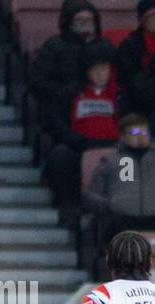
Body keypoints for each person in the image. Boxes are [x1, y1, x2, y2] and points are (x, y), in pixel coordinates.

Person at [83, 113, 155, 242]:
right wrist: (109, 205)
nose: (141, 137)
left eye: (145, 133)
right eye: (135, 133)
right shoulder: (110, 162)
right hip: (124, 219)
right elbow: (91, 195)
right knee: (112, 226)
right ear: (123, 136)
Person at [45, 40, 123, 215]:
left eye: (104, 68)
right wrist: (76, 140)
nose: (100, 74)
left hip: (115, 147)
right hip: (80, 146)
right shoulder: (70, 93)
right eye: (94, 69)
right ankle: (69, 207)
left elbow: (134, 124)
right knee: (60, 155)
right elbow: (56, 122)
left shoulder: (121, 95)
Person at [29, 0, 107, 119]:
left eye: (89, 19)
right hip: (63, 107)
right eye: (79, 20)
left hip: (102, 103)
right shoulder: (54, 46)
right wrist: (65, 91)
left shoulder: (104, 46)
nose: (85, 23)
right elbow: (38, 81)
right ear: (69, 22)